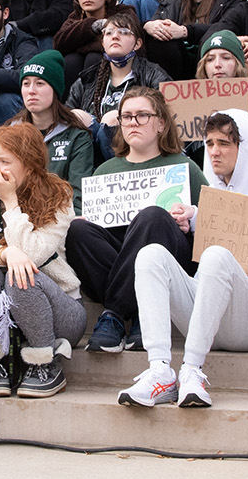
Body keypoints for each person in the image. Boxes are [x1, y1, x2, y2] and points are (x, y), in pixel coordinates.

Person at [120, 109, 248, 410]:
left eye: (225, 144)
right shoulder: (207, 204)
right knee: (150, 254)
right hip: (206, 319)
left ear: (247, 149)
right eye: (211, 143)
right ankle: (160, 370)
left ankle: (192, 370)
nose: (215, 152)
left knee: (217, 256)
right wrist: (190, 219)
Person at [65, 84, 206, 354]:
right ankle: (142, 310)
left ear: (161, 123)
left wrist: (192, 218)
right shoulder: (105, 169)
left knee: (152, 216)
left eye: (142, 115)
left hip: (169, 261)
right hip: (118, 255)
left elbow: (212, 228)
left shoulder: (184, 167)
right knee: (77, 232)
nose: (133, 123)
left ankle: (115, 315)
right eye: (126, 117)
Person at [0, 122, 86, 399]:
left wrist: (11, 203)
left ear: (28, 165)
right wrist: (5, 254)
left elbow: (34, 255)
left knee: (22, 276)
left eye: (4, 161)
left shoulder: (59, 196)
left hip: (60, 310)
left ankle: (45, 363)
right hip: (3, 313)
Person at [69, 9, 169, 151]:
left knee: (112, 118)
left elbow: (167, 117)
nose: (115, 36)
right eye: (109, 32)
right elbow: (66, 114)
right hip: (91, 152)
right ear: (103, 43)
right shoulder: (89, 78)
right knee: (76, 115)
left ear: (137, 44)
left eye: (123, 32)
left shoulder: (153, 75)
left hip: (136, 150)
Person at [12, 49, 99, 201]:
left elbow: (78, 196)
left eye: (40, 83)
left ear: (55, 89)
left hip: (59, 218)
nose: (31, 91)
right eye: (26, 84)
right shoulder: (11, 134)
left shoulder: (77, 136)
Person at [189, 30, 248, 139]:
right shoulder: (190, 108)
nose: (217, 64)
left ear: (238, 65)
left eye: (226, 57)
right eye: (210, 59)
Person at [57, 0, 122, 87]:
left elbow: (125, 44)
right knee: (71, 60)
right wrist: (92, 26)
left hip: (118, 74)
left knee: (94, 58)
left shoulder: (123, 13)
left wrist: (78, 42)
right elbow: (59, 44)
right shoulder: (75, 16)